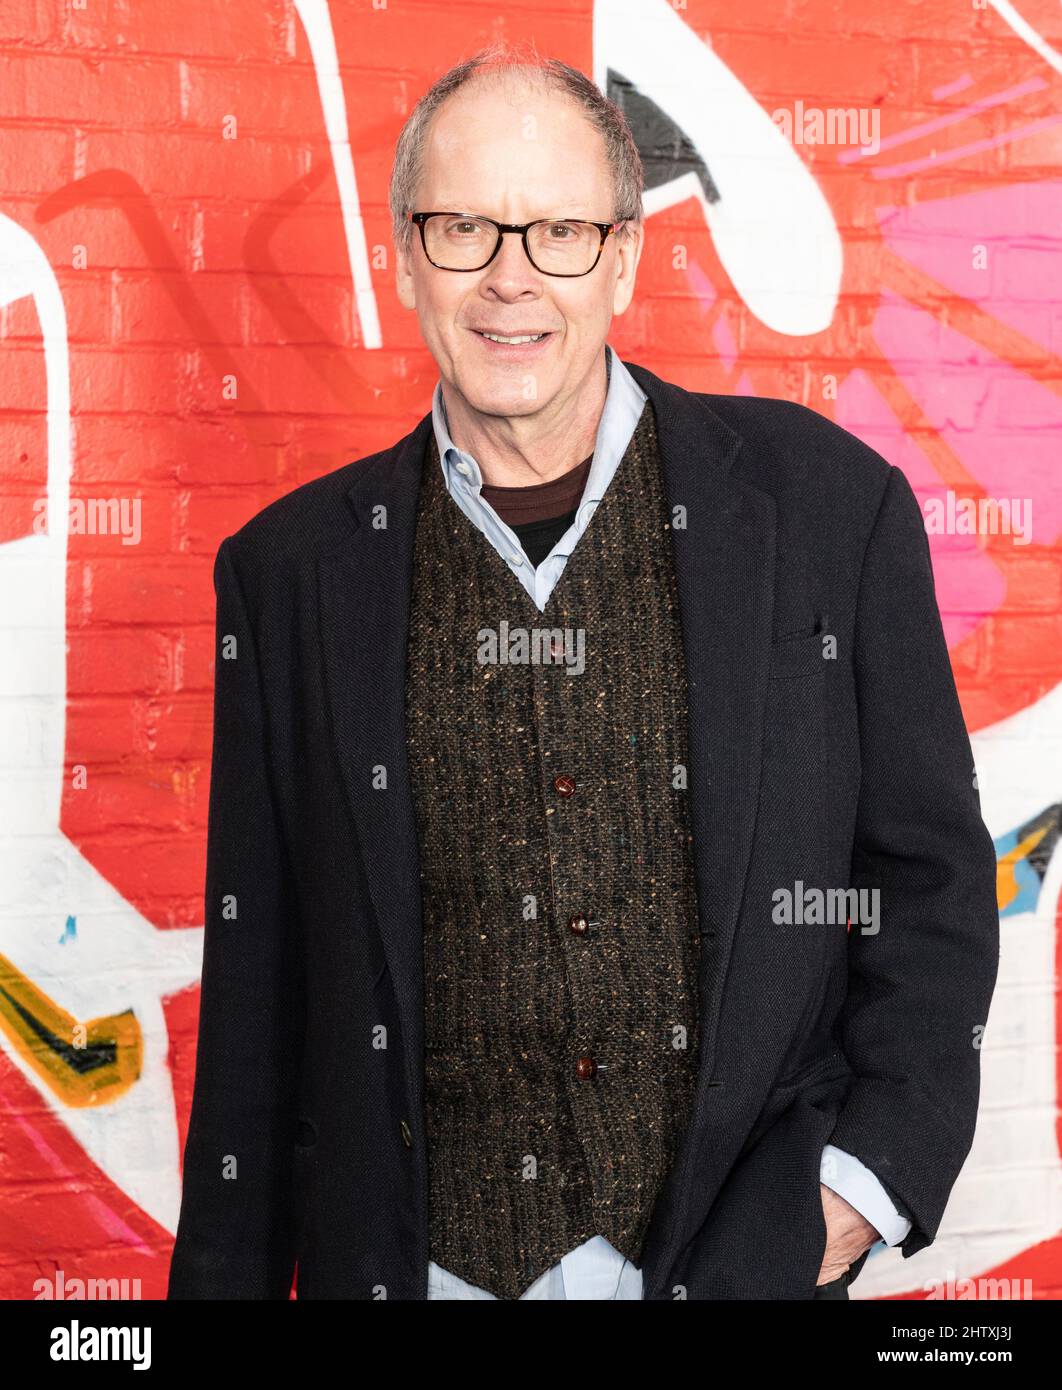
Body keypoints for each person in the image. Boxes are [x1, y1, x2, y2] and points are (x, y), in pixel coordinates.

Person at [167, 44, 999, 1301]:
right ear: (405, 256)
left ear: (621, 256)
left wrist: (844, 1202)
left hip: (743, 1265)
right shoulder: (287, 578)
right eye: (464, 229)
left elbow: (922, 886)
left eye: (558, 230)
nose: (511, 279)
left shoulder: (829, 511)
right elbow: (258, 996)